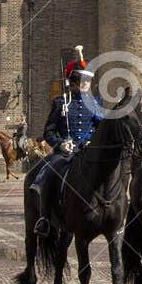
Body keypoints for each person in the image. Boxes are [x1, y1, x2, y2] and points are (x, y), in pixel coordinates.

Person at [33, 48, 102, 235]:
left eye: (88, 81)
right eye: (82, 80)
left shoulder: (95, 103)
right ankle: (44, 218)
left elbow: (101, 129)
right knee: (50, 171)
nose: (86, 84)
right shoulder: (61, 102)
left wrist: (93, 143)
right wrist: (60, 144)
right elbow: (48, 131)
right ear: (73, 82)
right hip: (65, 153)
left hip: (87, 151)